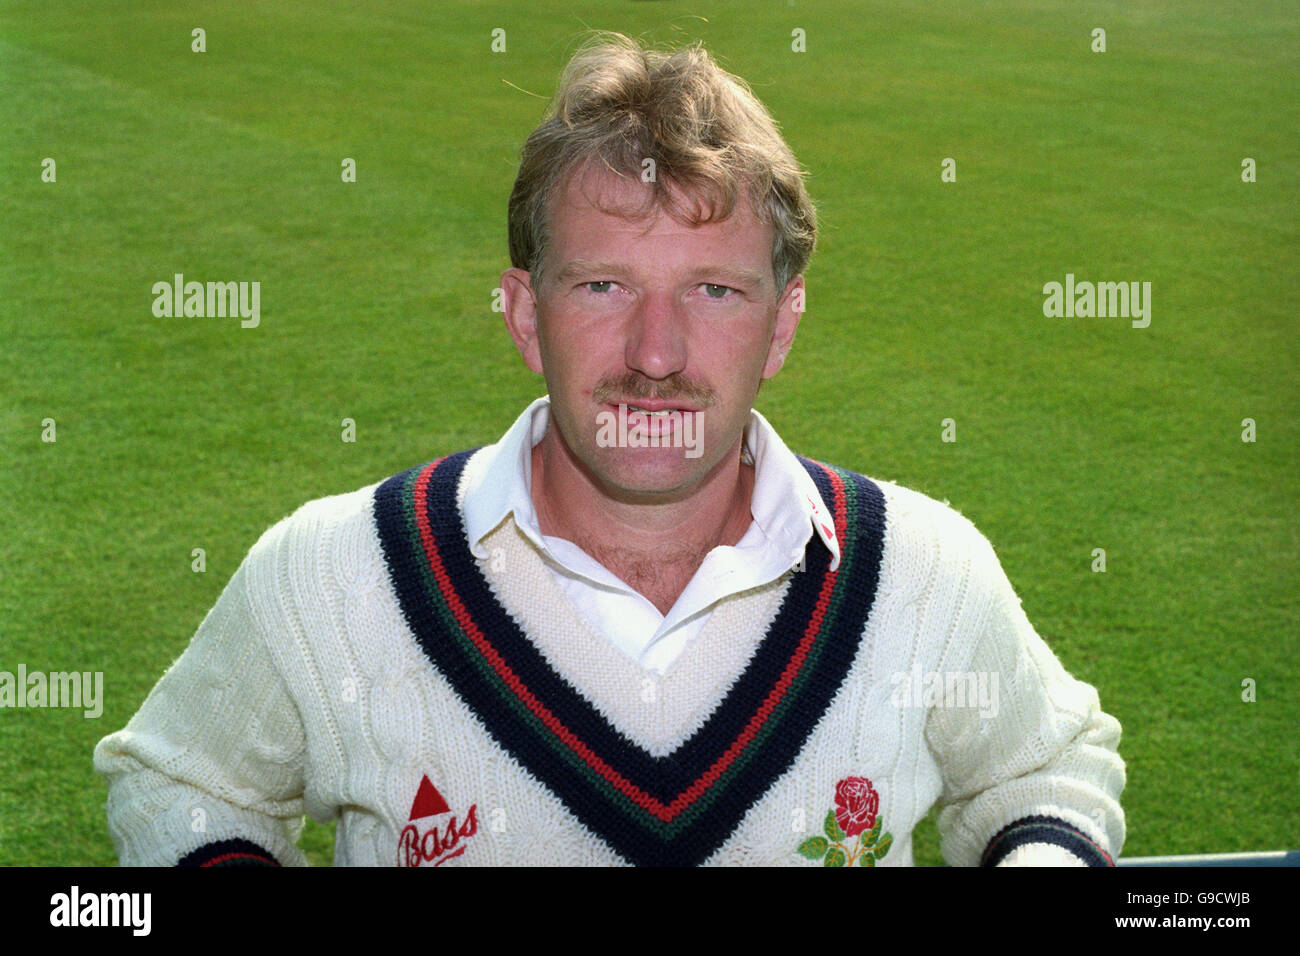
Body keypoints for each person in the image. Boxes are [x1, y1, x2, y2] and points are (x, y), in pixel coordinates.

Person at [94, 33, 1125, 867]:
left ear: (782, 322)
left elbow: (1040, 769)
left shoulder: (922, 570)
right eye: (602, 286)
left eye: (713, 291)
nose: (656, 354)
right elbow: (185, 780)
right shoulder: (330, 574)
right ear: (522, 314)